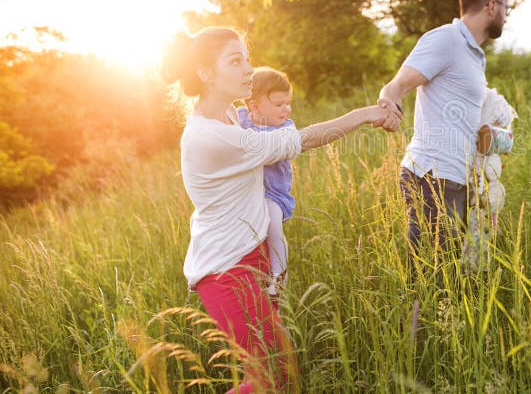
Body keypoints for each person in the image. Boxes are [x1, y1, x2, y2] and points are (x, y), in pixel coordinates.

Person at [161, 27, 393, 393]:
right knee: (270, 378)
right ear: (205, 73)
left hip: (250, 255)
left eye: (247, 59)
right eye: (234, 61)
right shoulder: (211, 136)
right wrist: (365, 114)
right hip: (227, 271)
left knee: (281, 371)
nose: (248, 69)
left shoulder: (230, 115)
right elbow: (302, 139)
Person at [376, 0, 511, 279]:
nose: (506, 15)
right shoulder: (446, 39)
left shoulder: (474, 55)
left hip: (455, 180)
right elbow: (397, 85)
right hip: (432, 178)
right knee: (429, 281)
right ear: (492, 6)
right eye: (506, 7)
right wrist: (390, 103)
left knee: (447, 280)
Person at [235, 67, 295, 299]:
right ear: (255, 106)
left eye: (287, 103)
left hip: (273, 194)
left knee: (273, 226)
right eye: (279, 104)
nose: (286, 109)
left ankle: (279, 277)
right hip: (246, 193)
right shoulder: (240, 118)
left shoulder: (285, 128)